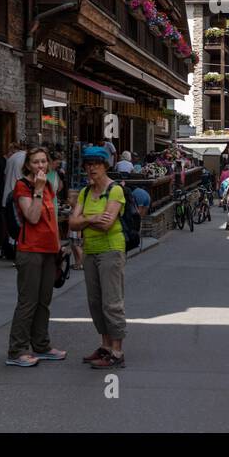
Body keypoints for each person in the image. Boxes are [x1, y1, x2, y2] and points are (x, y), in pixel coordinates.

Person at [6, 147, 66, 367]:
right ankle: (16, 350)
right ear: (28, 165)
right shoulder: (23, 186)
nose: (40, 166)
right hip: (30, 250)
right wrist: (38, 189)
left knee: (44, 302)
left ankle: (41, 345)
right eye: (35, 162)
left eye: (43, 161)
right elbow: (32, 217)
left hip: (49, 251)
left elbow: (53, 217)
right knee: (28, 302)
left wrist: (59, 246)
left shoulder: (50, 186)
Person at [69, 146, 128, 370]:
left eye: (96, 163)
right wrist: (92, 217)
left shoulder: (115, 191)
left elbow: (107, 224)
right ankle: (104, 346)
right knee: (95, 302)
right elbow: (72, 224)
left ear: (106, 166)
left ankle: (117, 351)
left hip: (111, 249)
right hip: (90, 251)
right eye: (88, 164)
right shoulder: (85, 192)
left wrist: (84, 218)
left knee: (111, 302)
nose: (91, 168)